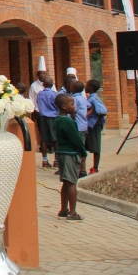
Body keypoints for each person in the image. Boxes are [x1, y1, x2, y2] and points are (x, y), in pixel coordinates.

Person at [53, 92, 86, 222]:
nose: (74, 106)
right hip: (70, 154)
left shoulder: (57, 120)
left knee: (66, 182)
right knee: (72, 182)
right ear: (64, 107)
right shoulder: (68, 122)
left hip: (61, 153)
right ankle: (72, 213)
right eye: (72, 104)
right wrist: (83, 152)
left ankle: (63, 210)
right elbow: (76, 139)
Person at [85, 79, 107, 175]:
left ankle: (95, 167)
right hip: (89, 126)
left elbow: (102, 111)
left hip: (93, 126)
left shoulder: (94, 99)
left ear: (90, 88)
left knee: (96, 147)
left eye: (87, 85)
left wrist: (97, 121)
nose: (85, 87)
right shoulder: (90, 97)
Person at [36, 77, 59, 169]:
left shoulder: (40, 94)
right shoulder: (54, 94)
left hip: (43, 118)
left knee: (44, 139)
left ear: (43, 84)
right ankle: (56, 161)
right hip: (53, 118)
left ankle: (44, 160)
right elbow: (57, 105)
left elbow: (37, 104)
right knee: (55, 139)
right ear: (52, 85)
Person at [70, 79, 88, 177]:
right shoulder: (83, 98)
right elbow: (89, 107)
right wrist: (85, 116)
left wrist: (71, 120)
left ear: (74, 88)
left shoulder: (75, 99)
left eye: (72, 86)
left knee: (77, 147)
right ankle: (83, 169)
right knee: (82, 147)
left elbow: (73, 111)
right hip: (84, 125)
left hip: (77, 126)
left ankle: (79, 169)